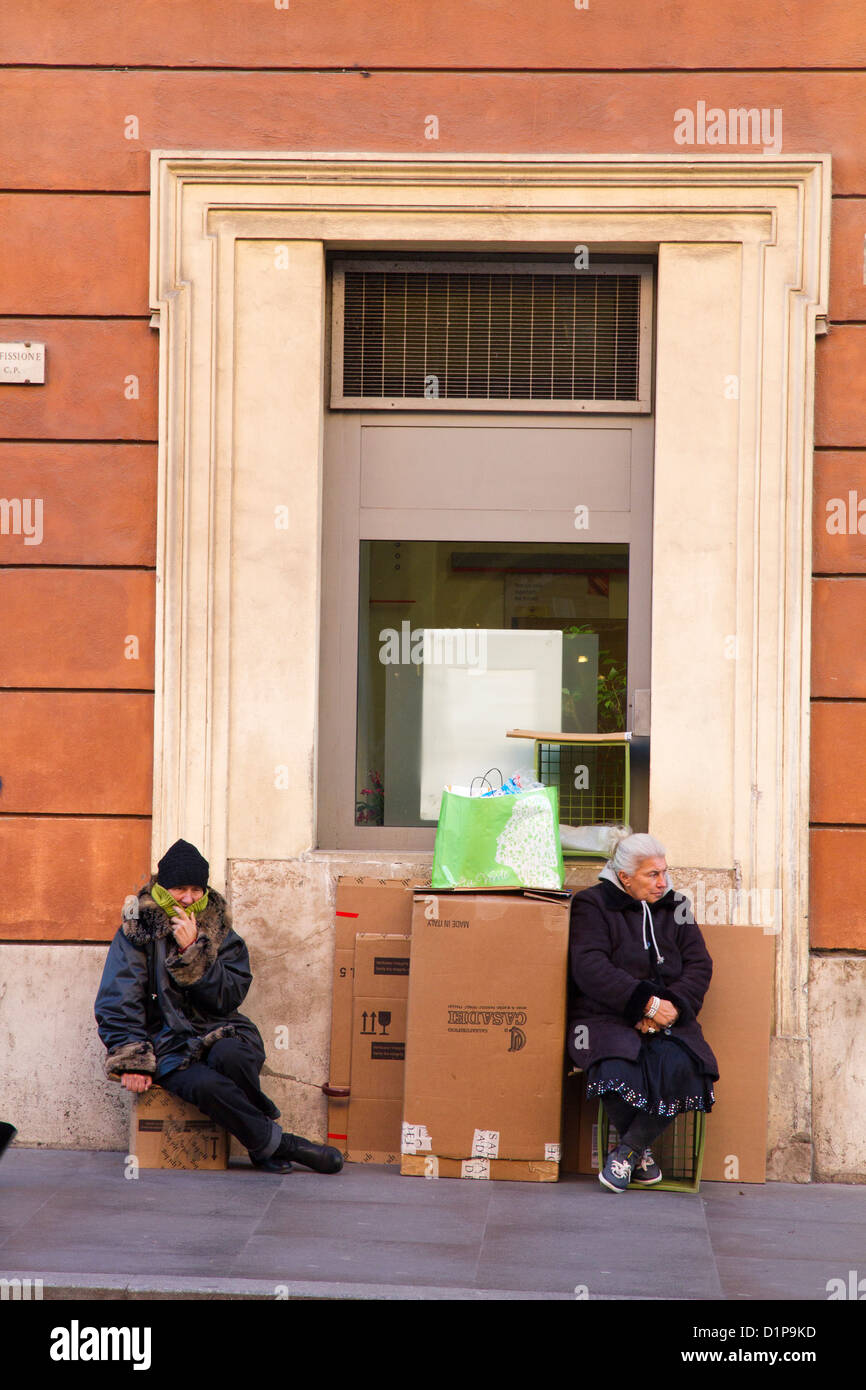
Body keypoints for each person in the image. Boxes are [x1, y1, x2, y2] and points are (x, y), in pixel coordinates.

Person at [94, 838, 343, 1176]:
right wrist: (132, 1059)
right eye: (179, 888)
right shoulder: (138, 930)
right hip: (167, 1043)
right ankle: (280, 1144)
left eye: (196, 889)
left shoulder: (217, 928)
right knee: (205, 1085)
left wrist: (194, 953)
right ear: (163, 889)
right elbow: (118, 998)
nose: (188, 898)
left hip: (219, 1028)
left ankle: (262, 1140)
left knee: (234, 1056)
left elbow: (230, 995)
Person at [568, 829, 718, 1192]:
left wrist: (667, 1008)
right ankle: (639, 1153)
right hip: (604, 1016)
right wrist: (645, 1002)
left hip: (670, 1017)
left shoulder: (676, 905)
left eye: (664, 872)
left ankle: (628, 1151)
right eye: (653, 875)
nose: (662, 882)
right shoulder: (592, 904)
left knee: (685, 1066)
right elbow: (590, 967)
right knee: (613, 1064)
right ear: (624, 877)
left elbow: (699, 965)